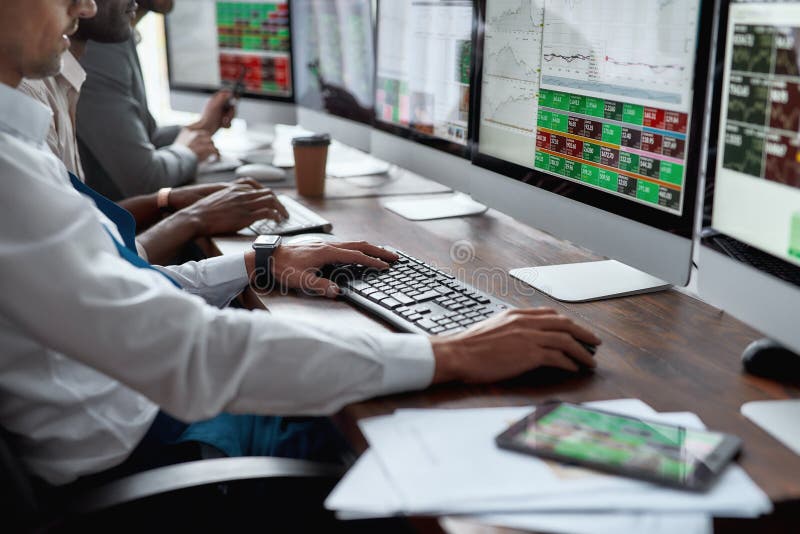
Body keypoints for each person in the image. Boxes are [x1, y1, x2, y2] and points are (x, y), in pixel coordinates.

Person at [0, 0, 600, 490]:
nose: (86, 5)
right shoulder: (10, 176)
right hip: (159, 460)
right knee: (452, 444)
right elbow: (196, 353)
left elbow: (126, 294)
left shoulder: (19, 149)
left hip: (152, 417)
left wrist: (260, 260)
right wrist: (453, 354)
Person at [16, 0, 288, 265]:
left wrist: (165, 201)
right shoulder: (39, 90)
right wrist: (191, 217)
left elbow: (81, 220)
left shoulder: (85, 61)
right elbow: (87, 268)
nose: (85, 7)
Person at [75, 0, 234, 200]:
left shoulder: (122, 35)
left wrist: (203, 126)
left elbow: (144, 137)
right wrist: (187, 151)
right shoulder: (100, 44)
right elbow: (143, 179)